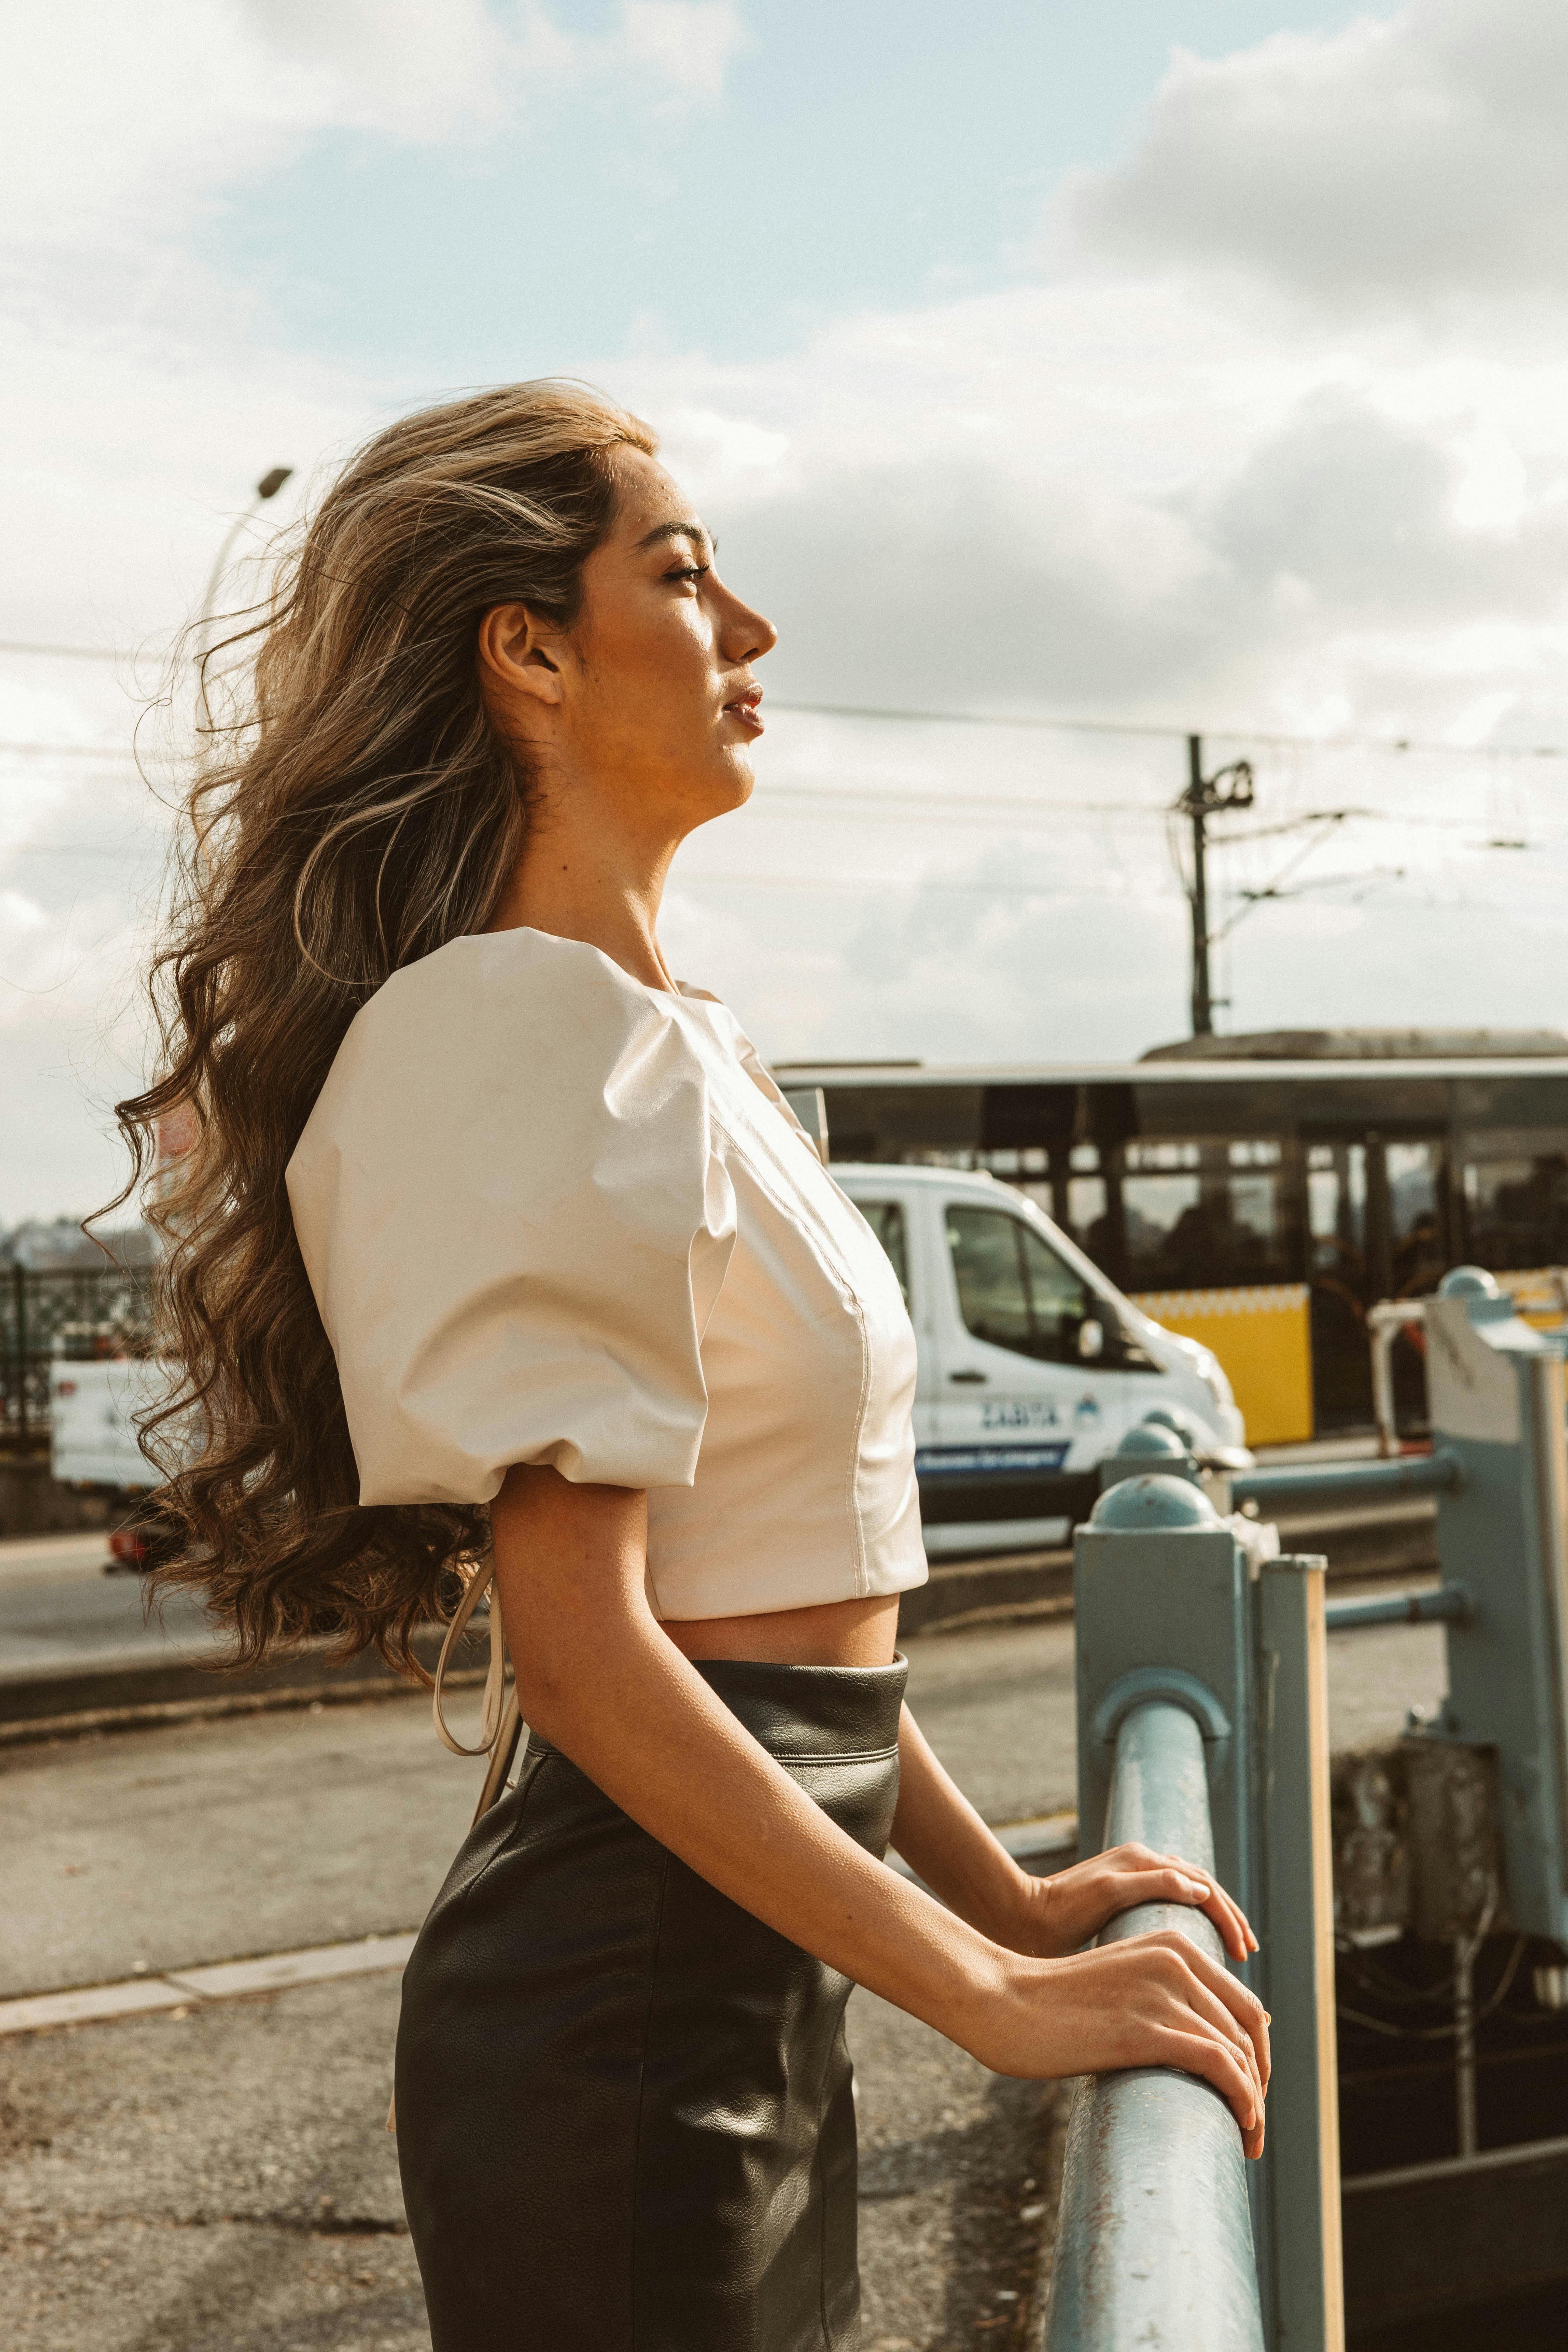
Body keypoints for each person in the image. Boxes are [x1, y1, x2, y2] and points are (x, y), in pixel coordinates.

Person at [116, 381, 1268, 2352]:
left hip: (731, 1970)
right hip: (625, 2016)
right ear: (530, 650)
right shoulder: (521, 1025)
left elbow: (789, 1607)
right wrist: (983, 1998)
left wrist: (1008, 1899)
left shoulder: (680, 1040)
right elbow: (587, 1646)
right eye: (684, 572)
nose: (752, 630)